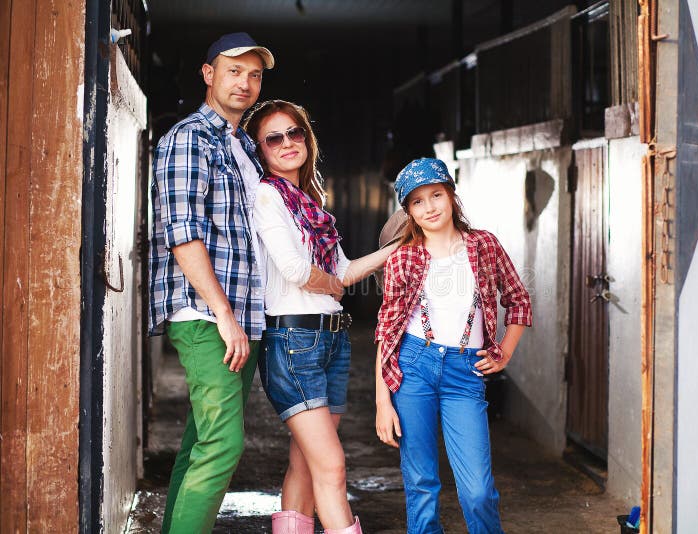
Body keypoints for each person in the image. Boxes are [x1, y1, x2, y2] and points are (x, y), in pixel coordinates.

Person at [244, 99, 397, 534]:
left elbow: (343, 270)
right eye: (274, 138)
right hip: (295, 345)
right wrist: (333, 284)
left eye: (294, 132)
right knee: (332, 467)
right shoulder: (268, 195)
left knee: (307, 464)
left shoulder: (311, 203)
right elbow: (298, 272)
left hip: (330, 341)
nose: (287, 143)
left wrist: (395, 250)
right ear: (261, 150)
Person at [148, 32, 274, 534]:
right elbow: (184, 236)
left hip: (238, 315)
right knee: (223, 444)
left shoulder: (242, 143)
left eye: (255, 74)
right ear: (208, 74)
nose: (245, 83)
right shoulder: (187, 139)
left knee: (202, 438)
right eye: (233, 71)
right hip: (207, 315)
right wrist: (224, 315)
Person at [374, 158, 532, 533]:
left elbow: (518, 299)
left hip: (465, 373)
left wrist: (505, 351)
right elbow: (386, 330)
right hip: (414, 367)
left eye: (436, 195)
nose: (429, 207)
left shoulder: (484, 245)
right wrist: (382, 402)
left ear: (451, 195)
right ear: (408, 210)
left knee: (477, 490)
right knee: (422, 485)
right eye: (417, 201)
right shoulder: (404, 257)